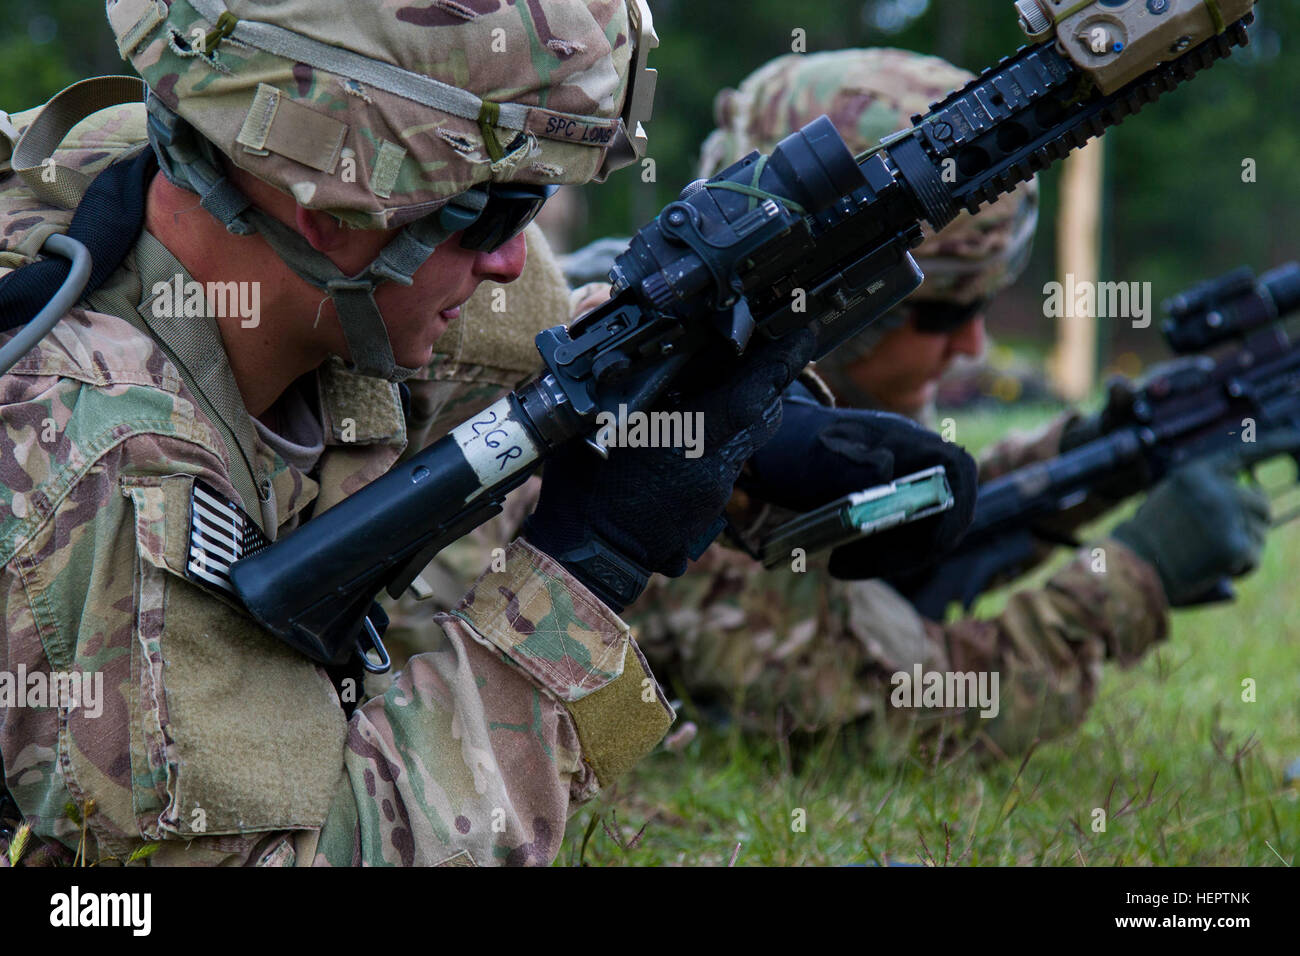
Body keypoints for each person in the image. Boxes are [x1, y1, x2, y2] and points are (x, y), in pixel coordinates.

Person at [0, 0, 825, 867]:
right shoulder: (89, 452)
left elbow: (555, 344)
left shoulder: (265, 225)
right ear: (338, 205)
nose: (510, 260)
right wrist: (586, 570)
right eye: (499, 213)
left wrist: (764, 426)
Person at [628, 48, 1290, 757]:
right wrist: (1136, 576)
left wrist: (1100, 454)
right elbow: (906, 715)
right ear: (830, 312)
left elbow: (905, 533)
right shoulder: (672, 444)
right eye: (942, 316)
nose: (973, 346)